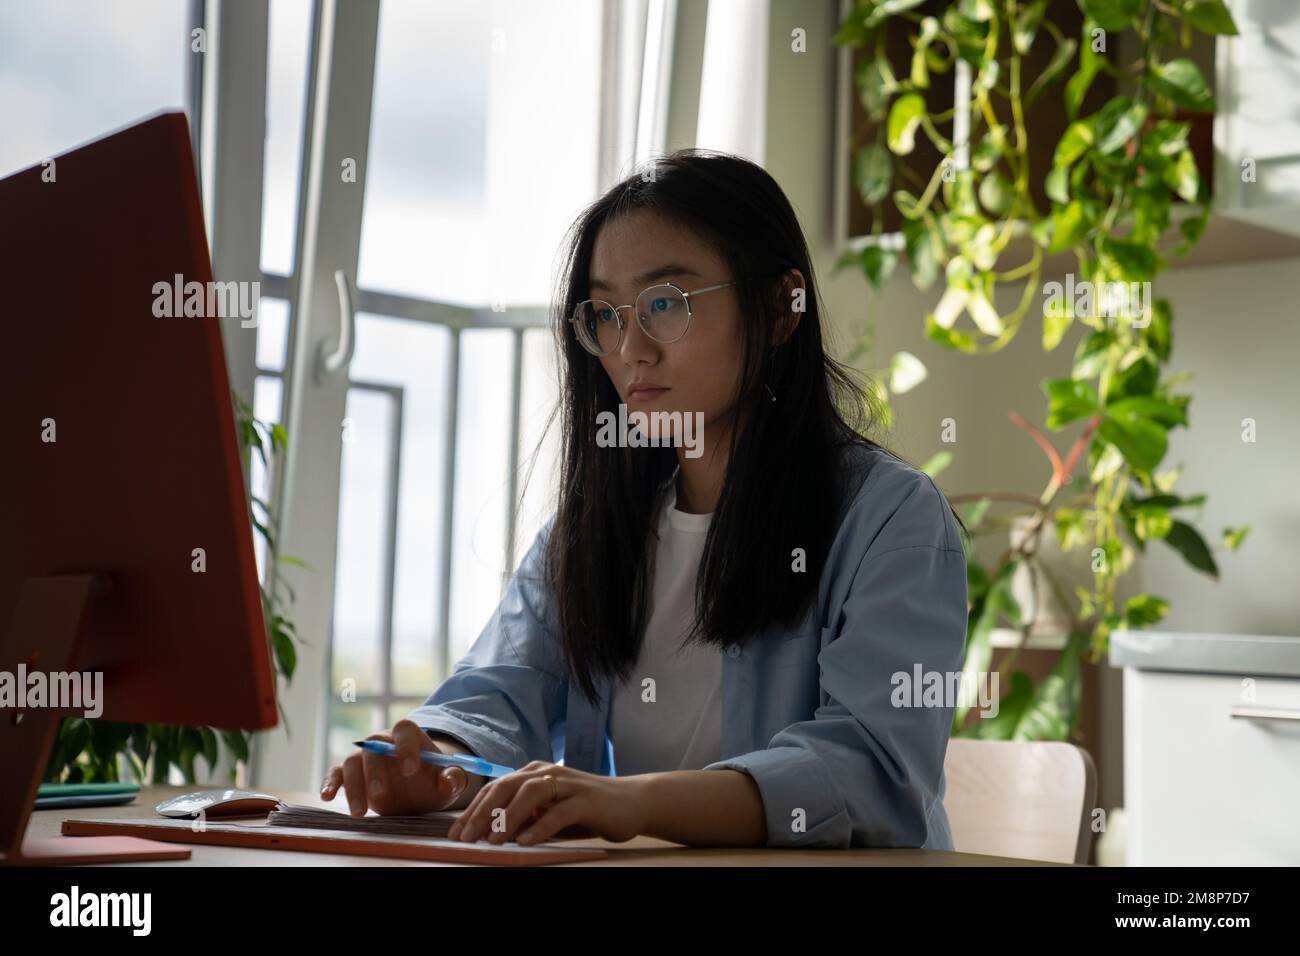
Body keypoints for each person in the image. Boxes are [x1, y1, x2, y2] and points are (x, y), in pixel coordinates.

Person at [320, 149, 970, 849]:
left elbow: (867, 770)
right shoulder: (592, 529)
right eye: (605, 313)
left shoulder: (891, 520)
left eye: (666, 304)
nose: (630, 348)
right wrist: (436, 761)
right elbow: (502, 691)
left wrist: (631, 804)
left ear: (783, 309)